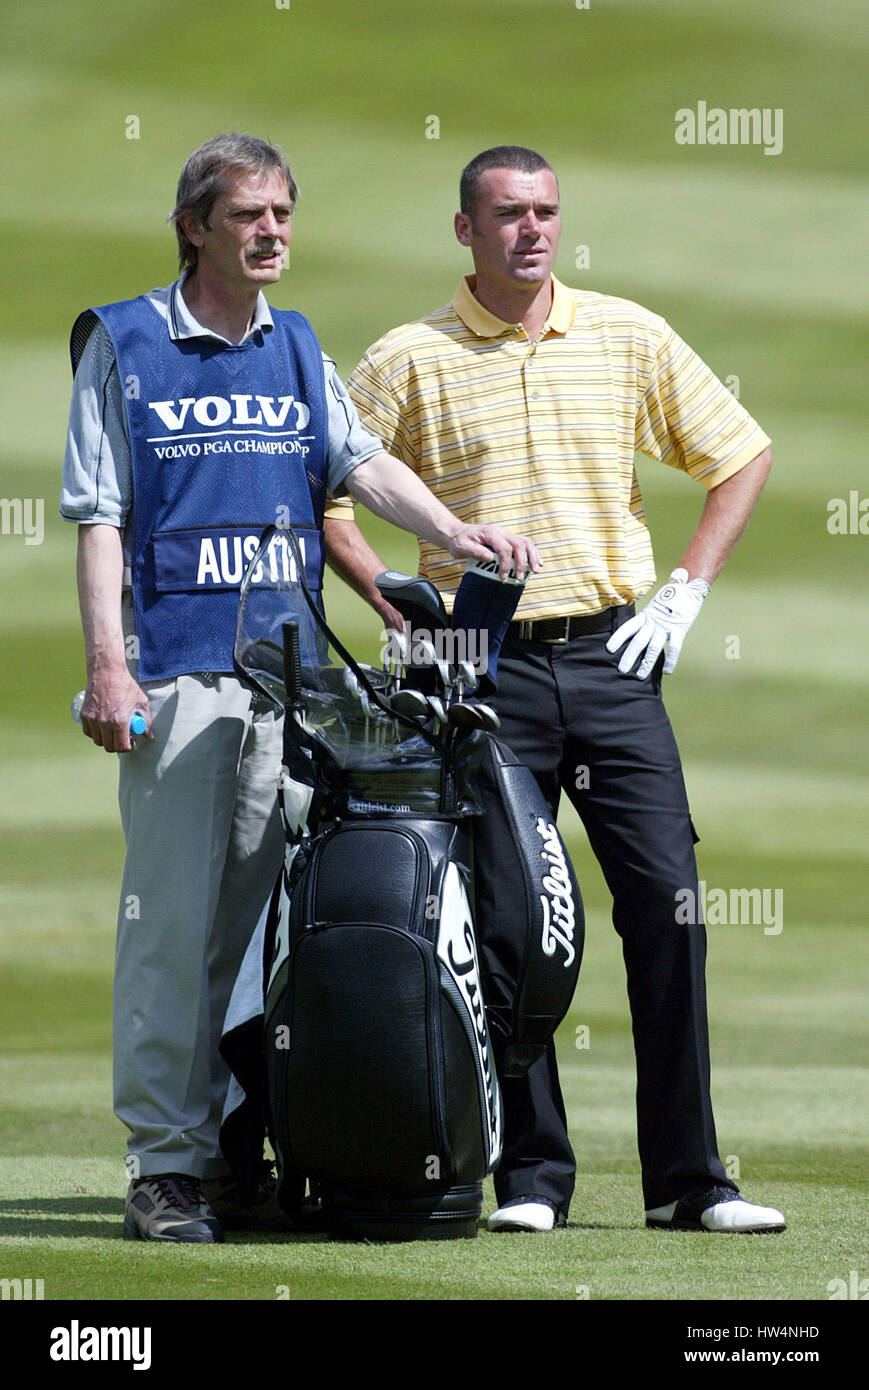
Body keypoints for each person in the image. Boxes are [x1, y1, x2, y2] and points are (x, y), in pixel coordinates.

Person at [60, 133, 540, 1244]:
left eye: (283, 213)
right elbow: (97, 517)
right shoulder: (125, 343)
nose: (272, 232)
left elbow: (357, 461)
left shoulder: (296, 344)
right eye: (247, 216)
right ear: (195, 227)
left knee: (271, 936)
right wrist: (106, 668)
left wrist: (449, 530)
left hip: (298, 692)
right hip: (178, 680)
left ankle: (240, 1155)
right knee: (174, 937)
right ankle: (165, 1168)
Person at [345, 145, 786, 1235]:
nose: (530, 231)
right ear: (465, 231)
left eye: (544, 211)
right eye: (506, 214)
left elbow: (739, 454)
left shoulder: (624, 333)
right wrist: (392, 601)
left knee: (667, 907)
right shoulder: (408, 356)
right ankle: (532, 1177)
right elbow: (330, 490)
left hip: (609, 653)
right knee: (508, 919)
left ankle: (690, 1181)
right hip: (475, 663)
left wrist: (682, 592)